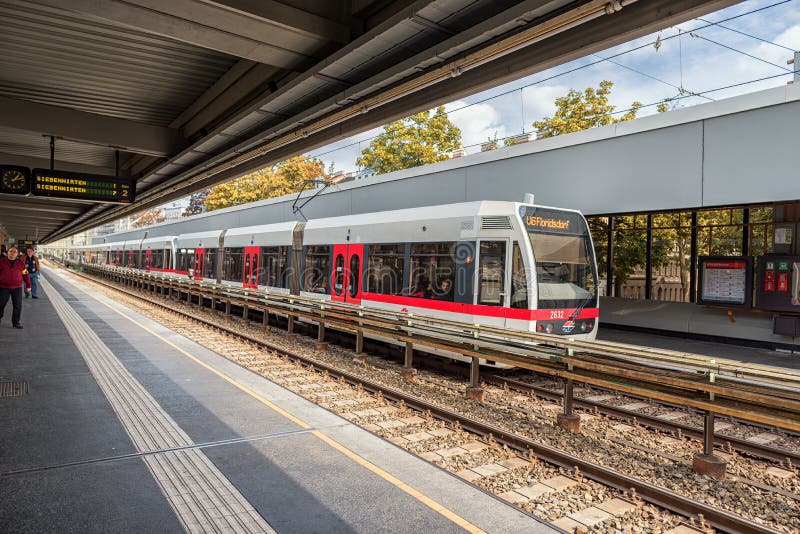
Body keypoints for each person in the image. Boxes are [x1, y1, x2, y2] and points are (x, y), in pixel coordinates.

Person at [0, 247, 32, 329]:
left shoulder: (21, 263)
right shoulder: (1, 261)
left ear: (17, 254)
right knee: (1, 304)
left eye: (15, 252)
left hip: (17, 287)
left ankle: (16, 322)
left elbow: (25, 274)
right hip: (3, 287)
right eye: (11, 251)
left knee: (17, 305)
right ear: (8, 253)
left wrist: (28, 285)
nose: (13, 253)